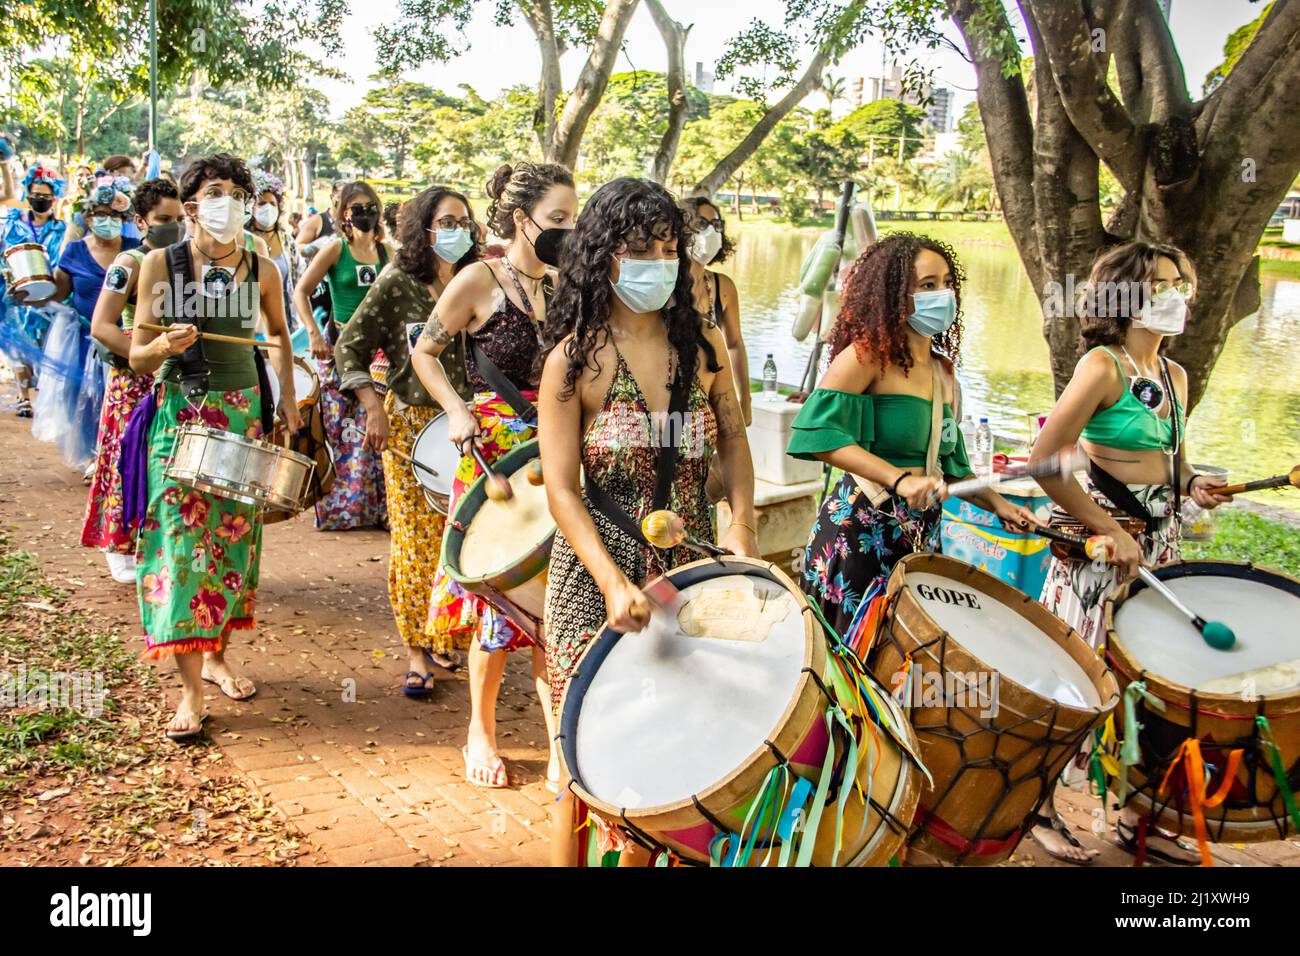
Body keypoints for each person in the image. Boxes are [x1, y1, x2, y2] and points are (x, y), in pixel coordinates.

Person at [538, 177, 759, 866]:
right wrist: (609, 582)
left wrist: (742, 527)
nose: (659, 263)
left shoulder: (704, 348)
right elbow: (562, 490)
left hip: (688, 577)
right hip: (596, 583)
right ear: (603, 255)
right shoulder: (573, 362)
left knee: (680, 757)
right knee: (600, 765)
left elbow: (734, 440)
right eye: (641, 249)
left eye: (669, 248)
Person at [1030, 240, 1232, 865]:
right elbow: (1046, 461)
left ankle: (1137, 812)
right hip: (1100, 544)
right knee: (1078, 674)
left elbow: (1174, 459)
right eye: (1158, 284)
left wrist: (1193, 483)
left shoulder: (1174, 374)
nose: (1175, 295)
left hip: (1157, 543)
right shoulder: (1102, 366)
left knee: (1145, 675)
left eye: (1180, 283)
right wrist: (1107, 528)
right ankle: (1038, 807)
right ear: (1122, 296)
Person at [410, 161, 577, 789]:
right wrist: (455, 407)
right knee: (497, 609)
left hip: (555, 456)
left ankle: (560, 735)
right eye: (557, 219)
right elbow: (424, 351)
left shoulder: (566, 284)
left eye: (572, 219)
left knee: (554, 605)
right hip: (493, 458)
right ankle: (480, 730)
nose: (568, 230)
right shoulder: (478, 280)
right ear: (520, 219)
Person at [128, 152, 302, 740]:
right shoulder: (161, 264)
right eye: (212, 192)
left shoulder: (263, 268)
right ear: (193, 203)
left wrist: (290, 402)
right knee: (178, 549)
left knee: (231, 548)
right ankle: (191, 693)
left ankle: (219, 654)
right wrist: (164, 347)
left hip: (243, 416)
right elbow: (136, 353)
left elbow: (279, 335)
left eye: (233, 191)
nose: (222, 201)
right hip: (182, 415)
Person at [787, 233, 1038, 638]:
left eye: (946, 283)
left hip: (919, 536)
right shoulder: (867, 357)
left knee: (902, 655)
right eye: (927, 286)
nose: (943, 294)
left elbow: (953, 468)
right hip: (860, 530)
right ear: (893, 295)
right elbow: (816, 434)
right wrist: (900, 479)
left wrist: (999, 505)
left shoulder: (944, 373)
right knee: (844, 665)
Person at [333, 186, 480, 694]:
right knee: (415, 543)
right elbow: (349, 346)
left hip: (471, 427)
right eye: (446, 221)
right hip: (410, 426)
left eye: (464, 220)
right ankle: (416, 650)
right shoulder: (399, 282)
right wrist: (371, 404)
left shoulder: (478, 280)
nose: (457, 230)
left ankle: (447, 633)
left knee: (458, 537)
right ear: (423, 228)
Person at [83, 177, 184, 583]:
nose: (174, 226)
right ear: (141, 221)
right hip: (132, 378)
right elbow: (101, 325)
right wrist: (145, 354)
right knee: (124, 459)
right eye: (164, 218)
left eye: (179, 218)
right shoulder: (128, 264)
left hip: (170, 379)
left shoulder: (183, 262)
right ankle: (117, 543)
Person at [24, 169, 141, 469]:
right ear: (88, 219)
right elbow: (59, 292)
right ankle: (94, 456)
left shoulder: (135, 252)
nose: (108, 221)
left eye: (114, 216)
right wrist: (29, 291)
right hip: (82, 339)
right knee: (84, 399)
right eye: (100, 215)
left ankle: (116, 453)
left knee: (119, 397)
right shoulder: (75, 252)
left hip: (122, 338)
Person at [293, 180, 392, 530]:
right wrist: (313, 332)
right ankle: (341, 509)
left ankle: (380, 507)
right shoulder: (336, 249)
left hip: (380, 349)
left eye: (370, 207)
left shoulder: (387, 252)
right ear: (343, 214)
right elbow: (301, 291)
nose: (365, 214)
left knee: (377, 424)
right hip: (340, 344)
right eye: (357, 208)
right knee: (341, 428)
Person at [0, 165, 68, 417]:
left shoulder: (63, 229)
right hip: (17, 296)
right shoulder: (12, 226)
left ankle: (48, 397)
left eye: (45, 196)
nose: (40, 200)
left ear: (54, 199)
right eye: (35, 194)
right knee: (19, 347)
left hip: (49, 297)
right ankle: (23, 397)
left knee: (47, 346)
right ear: (27, 194)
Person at [682, 196, 751, 425]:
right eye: (702, 224)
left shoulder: (723, 287)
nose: (710, 232)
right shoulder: (664, 285)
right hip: (671, 403)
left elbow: (734, 345)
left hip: (712, 401)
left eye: (716, 225)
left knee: (715, 459)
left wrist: (745, 401)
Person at [247, 171, 297, 329]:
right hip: (252, 320)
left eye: (272, 204)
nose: (267, 208)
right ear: (252, 208)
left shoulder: (287, 241)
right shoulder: (242, 240)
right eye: (262, 204)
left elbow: (296, 280)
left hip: (284, 318)